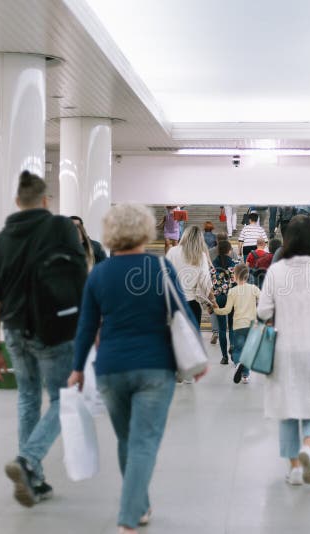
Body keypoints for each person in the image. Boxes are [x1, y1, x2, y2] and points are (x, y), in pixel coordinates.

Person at [68, 204, 206, 532]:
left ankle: (140, 505)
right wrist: (197, 356)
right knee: (144, 441)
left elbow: (87, 326)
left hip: (111, 370)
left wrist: (76, 368)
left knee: (127, 439)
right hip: (156, 368)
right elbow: (183, 314)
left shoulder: (99, 273)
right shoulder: (159, 268)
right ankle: (128, 519)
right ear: (146, 230)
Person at [0, 170, 86, 507]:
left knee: (27, 399)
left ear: (17, 202)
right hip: (54, 330)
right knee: (64, 399)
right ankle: (28, 460)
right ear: (46, 201)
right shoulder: (60, 227)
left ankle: (34, 479)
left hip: (13, 330)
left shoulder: (0, 240)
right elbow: (79, 277)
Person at [257, 215, 310, 486]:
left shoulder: (276, 271)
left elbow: (263, 310)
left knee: (287, 407)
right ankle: (308, 446)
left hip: (283, 348)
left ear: (288, 240)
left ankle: (294, 469)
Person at [214, 264, 261, 384]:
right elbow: (263, 299)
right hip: (251, 325)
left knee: (238, 349)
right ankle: (245, 376)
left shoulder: (232, 291)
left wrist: (216, 310)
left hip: (238, 326)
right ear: (247, 275)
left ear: (234, 276)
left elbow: (227, 310)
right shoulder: (253, 288)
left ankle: (238, 362)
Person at [165, 225, 215, 330]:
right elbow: (205, 282)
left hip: (173, 302)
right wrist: (213, 301)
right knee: (193, 339)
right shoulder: (201, 256)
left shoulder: (172, 251)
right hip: (192, 304)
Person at [212, 240, 237, 364]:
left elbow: (210, 282)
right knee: (232, 326)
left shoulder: (213, 264)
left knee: (222, 328)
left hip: (218, 298)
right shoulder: (233, 264)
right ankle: (232, 345)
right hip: (231, 297)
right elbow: (236, 282)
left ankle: (224, 357)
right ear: (229, 250)